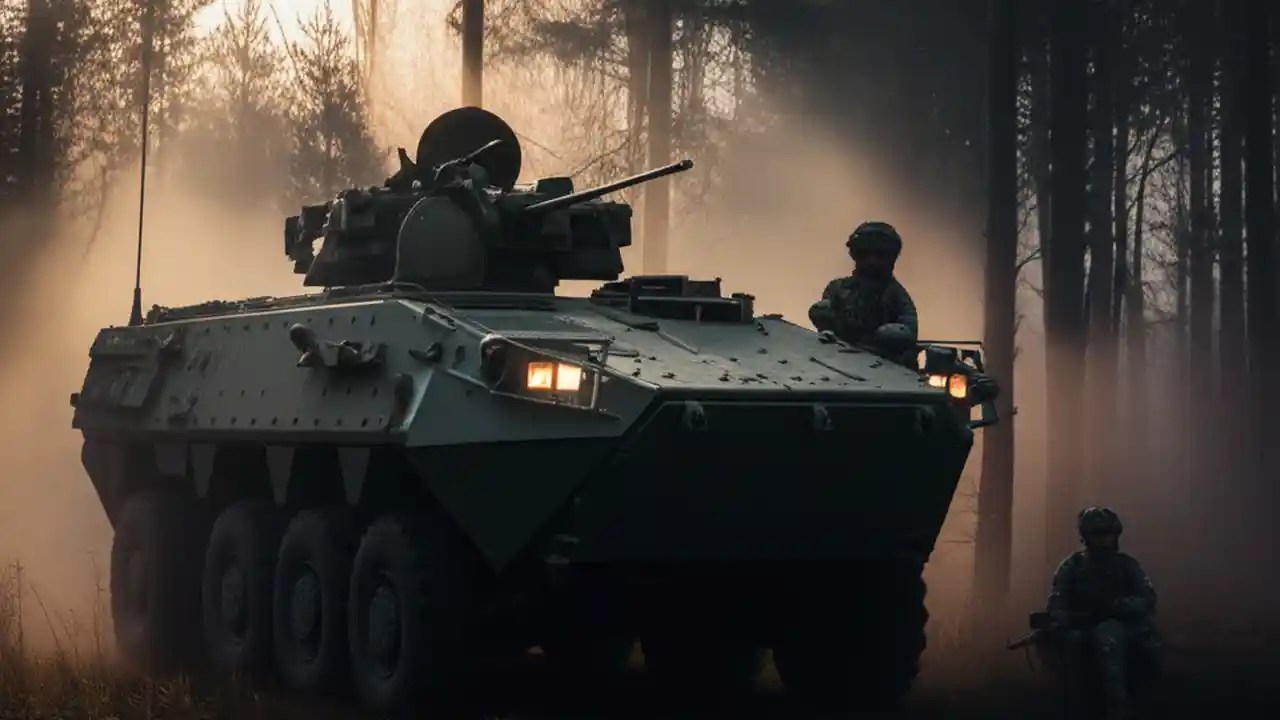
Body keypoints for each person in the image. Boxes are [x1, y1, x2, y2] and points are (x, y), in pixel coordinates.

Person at [1046, 507, 1160, 720]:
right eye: (1098, 534)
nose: (1104, 540)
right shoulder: (1072, 566)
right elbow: (1057, 601)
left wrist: (1117, 606)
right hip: (1081, 629)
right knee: (1066, 657)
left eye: (1108, 533)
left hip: (1121, 629)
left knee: (1111, 638)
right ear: (1086, 537)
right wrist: (1063, 620)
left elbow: (1147, 598)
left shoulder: (1127, 565)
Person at [808, 221, 919, 360]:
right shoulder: (839, 287)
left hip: (882, 359)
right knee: (821, 308)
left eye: (880, 255)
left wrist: (891, 337)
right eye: (864, 254)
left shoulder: (894, 294)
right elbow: (822, 311)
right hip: (838, 351)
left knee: (891, 333)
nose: (872, 261)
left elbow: (907, 327)